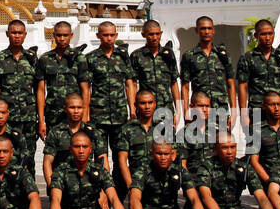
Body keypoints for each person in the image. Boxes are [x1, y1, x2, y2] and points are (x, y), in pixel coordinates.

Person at [48, 131, 133, 209]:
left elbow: (113, 198)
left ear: (91, 149)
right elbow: (55, 199)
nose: (81, 151)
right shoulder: (61, 171)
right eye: (77, 147)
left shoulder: (98, 170)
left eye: (85, 147)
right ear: (71, 149)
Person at [195, 132, 280, 209]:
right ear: (215, 149)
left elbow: (261, 196)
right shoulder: (206, 167)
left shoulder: (243, 167)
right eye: (225, 148)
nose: (230, 152)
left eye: (233, 147)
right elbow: (206, 197)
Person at [127, 140, 211, 209]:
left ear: (171, 154)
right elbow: (134, 199)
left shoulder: (178, 170)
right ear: (151, 153)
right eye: (159, 154)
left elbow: (194, 198)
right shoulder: (143, 170)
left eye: (166, 154)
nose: (163, 158)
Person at [0, 20, 41, 167]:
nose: (16, 36)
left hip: (28, 117)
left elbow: (39, 89)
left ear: (25, 35)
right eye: (13, 33)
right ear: (7, 34)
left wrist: (40, 118)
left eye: (20, 33)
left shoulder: (32, 59)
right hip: (6, 118)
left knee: (28, 158)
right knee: (5, 157)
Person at [80, 20, 134, 154]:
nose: (109, 38)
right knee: (99, 153)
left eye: (111, 35)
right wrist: (85, 114)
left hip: (119, 114)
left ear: (116, 35)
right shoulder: (90, 58)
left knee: (120, 154)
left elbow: (129, 84)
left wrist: (132, 109)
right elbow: (86, 88)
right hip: (98, 115)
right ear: (98, 36)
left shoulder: (123, 57)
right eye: (105, 35)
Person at [42, 92, 109, 187]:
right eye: (72, 108)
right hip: (63, 185)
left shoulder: (93, 132)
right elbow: (47, 162)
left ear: (84, 108)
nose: (76, 111)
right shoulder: (56, 132)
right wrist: (52, 186)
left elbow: (103, 161)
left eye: (79, 108)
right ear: (65, 109)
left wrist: (103, 189)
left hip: (89, 185)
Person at [181, 16, 236, 130]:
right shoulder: (189, 56)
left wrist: (234, 112)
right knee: (199, 144)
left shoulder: (222, 55)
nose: (206, 32)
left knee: (221, 144)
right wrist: (186, 111)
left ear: (213, 30)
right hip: (200, 110)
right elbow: (185, 86)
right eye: (203, 28)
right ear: (196, 30)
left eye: (209, 28)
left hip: (221, 111)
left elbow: (231, 84)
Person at [38, 21, 89, 144]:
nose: (62, 39)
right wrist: (41, 121)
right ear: (54, 36)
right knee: (53, 151)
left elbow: (85, 89)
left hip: (75, 114)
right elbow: (40, 90)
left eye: (65, 35)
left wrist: (85, 116)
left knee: (76, 150)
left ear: (71, 35)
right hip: (53, 114)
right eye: (59, 35)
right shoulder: (45, 59)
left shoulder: (79, 58)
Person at [236, 20, 280, 131]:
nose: (267, 37)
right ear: (256, 35)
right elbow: (242, 86)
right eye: (263, 34)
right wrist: (243, 114)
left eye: (270, 33)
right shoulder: (248, 58)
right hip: (256, 110)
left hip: (278, 110)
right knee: (255, 144)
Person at [129, 21, 181, 129]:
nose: (154, 37)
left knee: (167, 143)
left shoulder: (168, 54)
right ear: (144, 35)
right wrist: (133, 111)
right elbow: (132, 85)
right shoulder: (137, 56)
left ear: (161, 33)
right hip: (145, 110)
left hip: (166, 109)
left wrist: (178, 111)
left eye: (157, 34)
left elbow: (174, 83)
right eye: (151, 34)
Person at [114, 88, 163, 192]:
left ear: (155, 104)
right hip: (136, 180)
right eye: (143, 103)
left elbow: (172, 156)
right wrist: (130, 186)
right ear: (136, 105)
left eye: (150, 103)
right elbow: (122, 160)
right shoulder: (127, 129)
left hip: (158, 181)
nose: (147, 107)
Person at [248, 91, 280, 185]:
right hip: (270, 177)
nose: (276, 108)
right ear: (264, 106)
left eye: (279, 104)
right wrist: (268, 181)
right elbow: (254, 161)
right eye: (272, 105)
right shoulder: (255, 129)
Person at [177, 90, 216, 175]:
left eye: (207, 106)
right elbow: (182, 165)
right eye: (200, 106)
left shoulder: (217, 132)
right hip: (194, 179)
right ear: (192, 107)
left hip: (216, 180)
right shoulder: (183, 133)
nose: (204, 110)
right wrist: (189, 185)